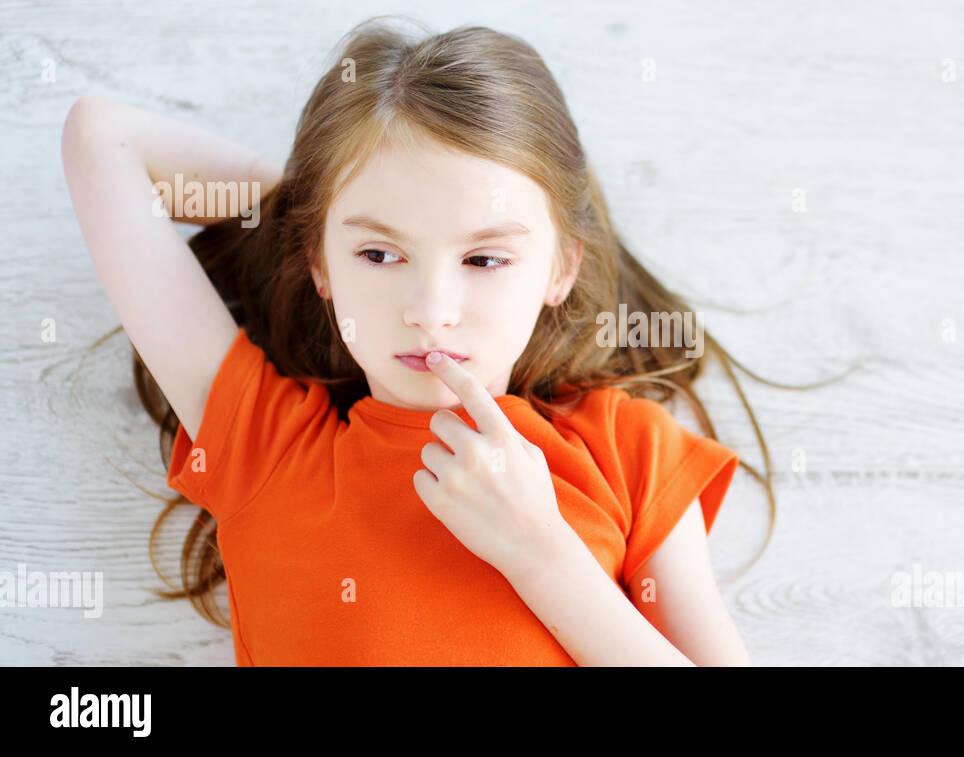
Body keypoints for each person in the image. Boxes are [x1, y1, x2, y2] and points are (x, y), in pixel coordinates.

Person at [62, 18, 782, 666]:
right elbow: (100, 140)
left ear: (561, 267)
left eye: (483, 259)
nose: (430, 311)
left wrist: (544, 557)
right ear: (320, 263)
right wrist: (326, 191)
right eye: (379, 254)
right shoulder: (264, 447)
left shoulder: (628, 451)